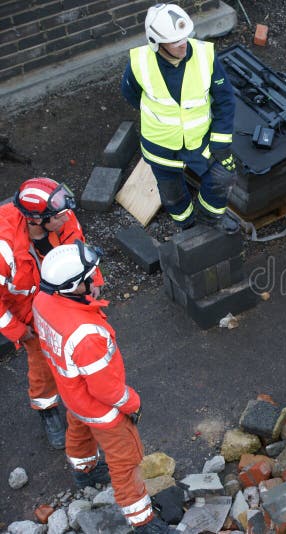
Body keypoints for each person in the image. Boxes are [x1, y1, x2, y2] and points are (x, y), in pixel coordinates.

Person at [32, 242, 168, 534]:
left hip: (72, 393)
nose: (95, 280)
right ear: (74, 287)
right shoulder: (87, 335)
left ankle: (85, 472)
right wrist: (132, 403)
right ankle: (144, 522)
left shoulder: (43, 300)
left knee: (78, 430)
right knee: (126, 461)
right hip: (101, 410)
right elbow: (106, 390)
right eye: (90, 277)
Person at [0, 178, 101, 449]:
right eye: (58, 216)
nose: (66, 217)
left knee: (82, 350)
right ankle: (47, 410)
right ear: (35, 221)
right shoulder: (4, 246)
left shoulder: (61, 217)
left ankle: (88, 392)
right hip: (30, 316)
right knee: (43, 365)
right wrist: (18, 330)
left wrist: (95, 282)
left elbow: (81, 250)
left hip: (64, 299)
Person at [121, 3, 238, 234]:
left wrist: (221, 142)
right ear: (156, 42)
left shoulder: (205, 56)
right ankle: (186, 225)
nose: (183, 44)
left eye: (184, 37)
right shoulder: (139, 64)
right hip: (161, 147)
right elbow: (132, 96)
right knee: (172, 194)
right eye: (175, 41)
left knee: (223, 178)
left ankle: (211, 220)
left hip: (199, 142)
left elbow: (226, 99)